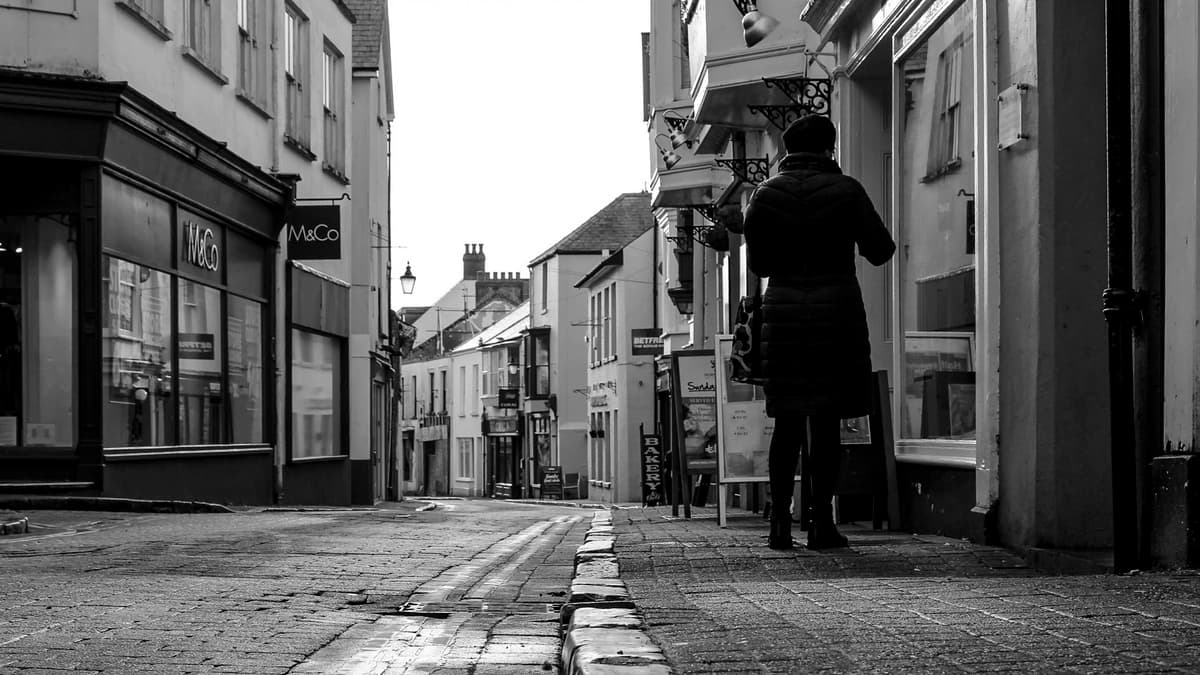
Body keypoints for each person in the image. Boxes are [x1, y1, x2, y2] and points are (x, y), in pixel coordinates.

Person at [743, 114, 896, 550]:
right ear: (830, 148)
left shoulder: (765, 195)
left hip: (785, 315)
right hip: (836, 313)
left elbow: (761, 266)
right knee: (826, 421)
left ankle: (778, 523)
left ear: (788, 151)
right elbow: (880, 251)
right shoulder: (847, 190)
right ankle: (821, 523)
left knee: (787, 421)